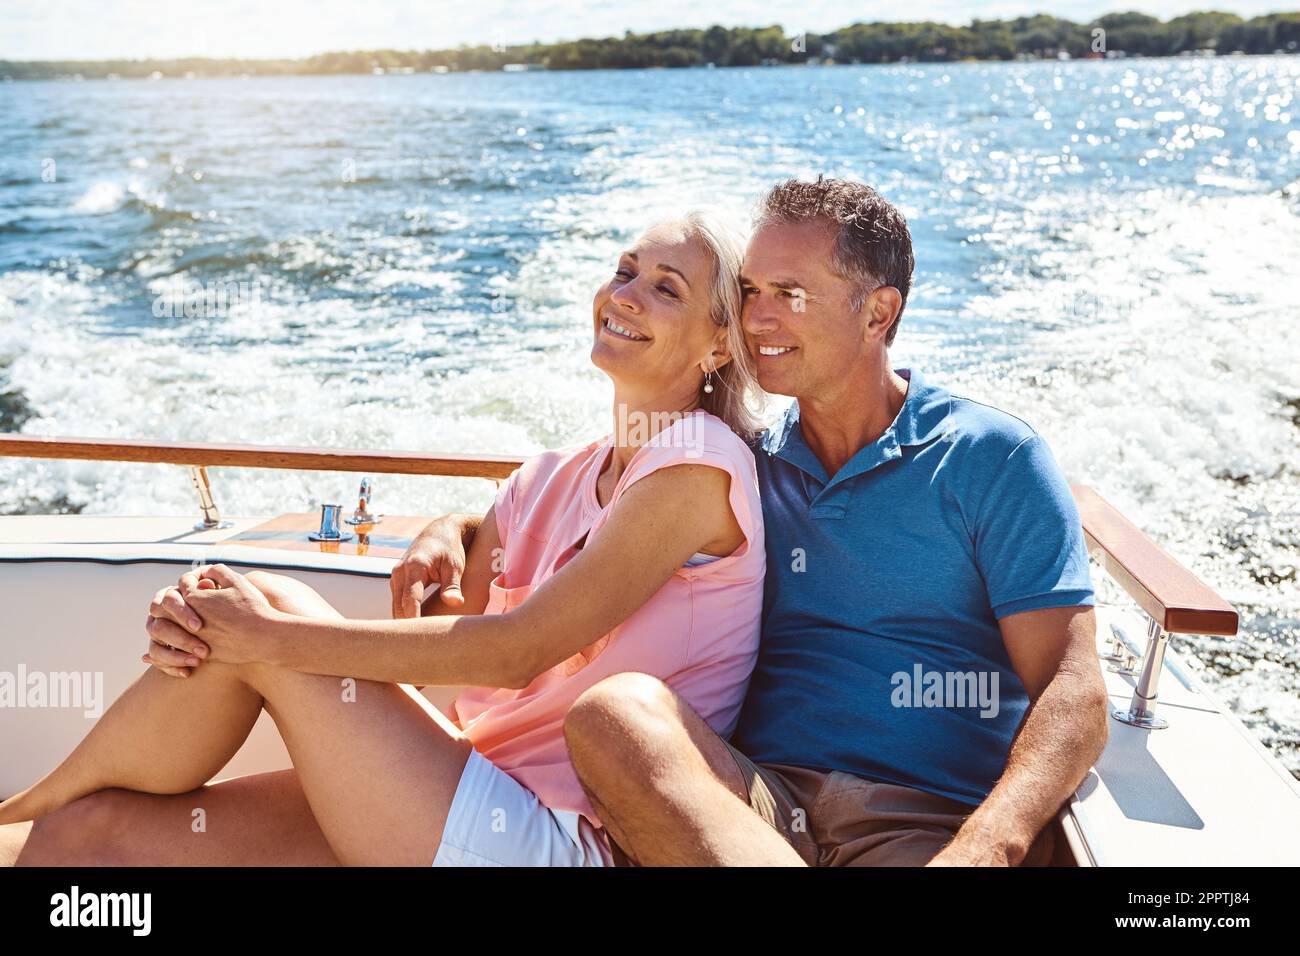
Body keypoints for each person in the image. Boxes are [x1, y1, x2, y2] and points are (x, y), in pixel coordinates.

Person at [0, 213, 767, 868]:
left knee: (258, 604)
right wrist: (450, 527)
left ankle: (28, 799)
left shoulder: (696, 462)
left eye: (668, 288)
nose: (626, 294)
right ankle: (44, 811)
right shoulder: (555, 474)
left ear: (719, 347)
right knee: (86, 838)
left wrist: (269, 637)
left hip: (557, 838)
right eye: (626, 270)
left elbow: (513, 650)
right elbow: (470, 591)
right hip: (466, 781)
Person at [415, 178, 1110, 867]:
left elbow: (1075, 690)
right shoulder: (745, 469)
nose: (755, 319)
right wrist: (461, 529)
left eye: (790, 295)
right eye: (749, 292)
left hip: (922, 823)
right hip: (751, 805)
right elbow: (613, 513)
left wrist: (989, 845)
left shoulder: (990, 459)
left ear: (877, 315)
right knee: (612, 718)